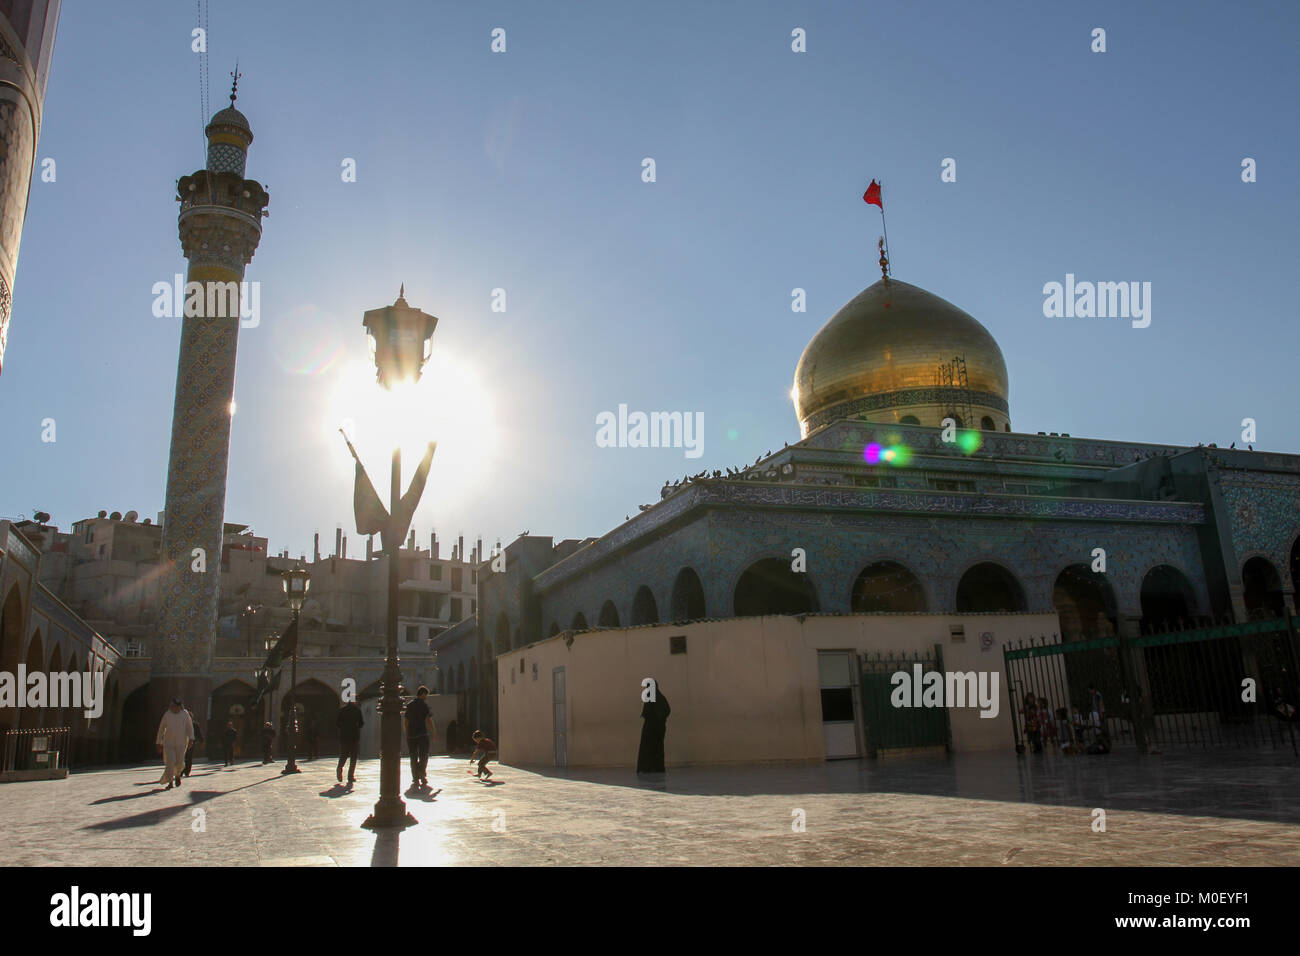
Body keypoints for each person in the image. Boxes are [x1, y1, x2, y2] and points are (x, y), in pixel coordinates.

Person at [156, 697, 194, 790]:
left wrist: (191, 739)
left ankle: (177, 775)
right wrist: (159, 742)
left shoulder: (185, 714)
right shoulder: (167, 715)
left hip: (181, 743)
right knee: (170, 762)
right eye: (174, 707)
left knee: (179, 762)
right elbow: (161, 729)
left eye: (177, 707)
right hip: (169, 743)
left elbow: (189, 727)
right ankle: (170, 782)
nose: (175, 709)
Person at [404, 686, 437, 788]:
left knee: (413, 757)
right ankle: (421, 772)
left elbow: (406, 721)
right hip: (422, 734)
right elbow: (428, 720)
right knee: (424, 755)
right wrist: (434, 732)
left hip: (411, 735)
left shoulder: (409, 705)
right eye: (426, 695)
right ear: (422, 694)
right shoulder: (424, 705)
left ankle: (416, 778)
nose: (426, 697)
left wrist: (406, 734)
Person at [636, 678, 671, 773]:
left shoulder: (652, 697)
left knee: (648, 748)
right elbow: (667, 710)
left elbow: (647, 712)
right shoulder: (660, 697)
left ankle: (648, 768)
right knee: (657, 748)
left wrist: (654, 719)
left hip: (651, 729)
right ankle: (656, 767)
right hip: (658, 729)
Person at [337, 698, 364, 784]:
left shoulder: (342, 710)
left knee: (343, 755)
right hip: (354, 736)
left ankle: (339, 768)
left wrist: (343, 728)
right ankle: (350, 776)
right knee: (353, 757)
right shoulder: (357, 710)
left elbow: (337, 723)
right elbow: (361, 723)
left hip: (344, 736)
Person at [183, 709, 204, 777]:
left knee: (188, 757)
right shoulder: (183, 724)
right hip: (183, 742)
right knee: (183, 757)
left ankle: (186, 771)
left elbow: (198, 733)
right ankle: (182, 770)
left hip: (191, 743)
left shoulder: (195, 724)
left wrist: (201, 740)